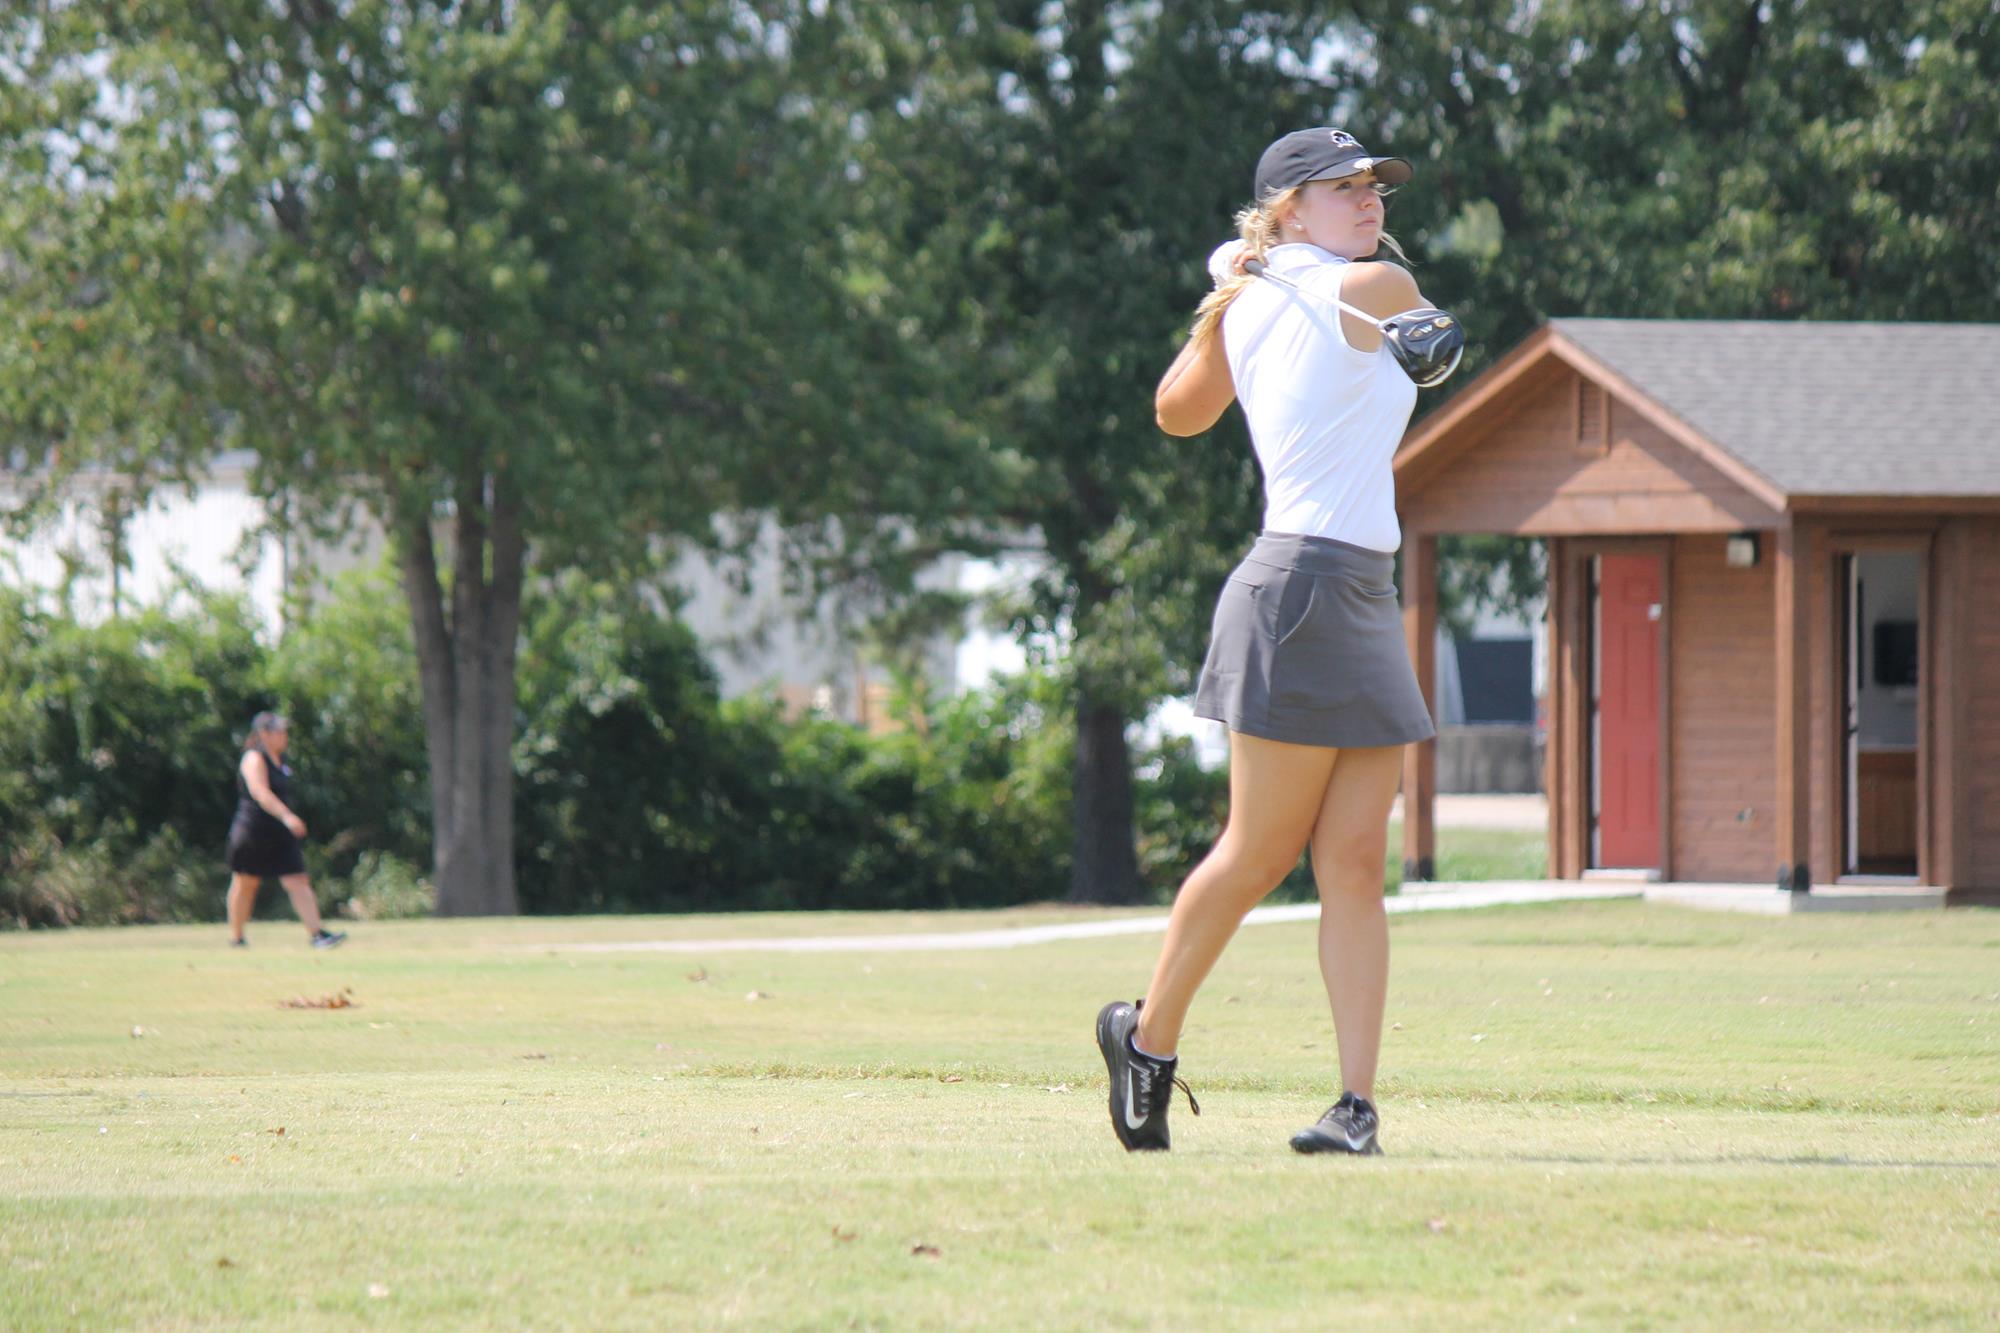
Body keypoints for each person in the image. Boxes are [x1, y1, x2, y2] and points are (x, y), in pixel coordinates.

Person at [1096, 128, 1444, 1155]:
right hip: (1295, 585)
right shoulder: (1307, 291)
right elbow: (1177, 412)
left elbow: (1419, 332)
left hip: (1364, 589)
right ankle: (1146, 1041)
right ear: (1290, 208)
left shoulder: (1349, 283)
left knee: (1354, 864)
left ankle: (1354, 1107)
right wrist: (1232, 303)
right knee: (1257, 851)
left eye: (1373, 186)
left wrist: (1245, 288)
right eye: (1342, 189)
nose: (1368, 200)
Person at [224, 711, 346, 949]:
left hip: (278, 832)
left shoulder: (281, 759)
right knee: (246, 882)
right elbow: (260, 792)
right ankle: (236, 938)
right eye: (278, 731)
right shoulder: (254, 758)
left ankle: (317, 934)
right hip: (254, 830)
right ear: (263, 734)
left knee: (298, 879)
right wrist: (287, 816)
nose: (284, 735)